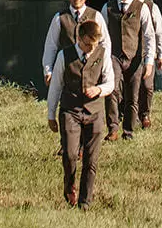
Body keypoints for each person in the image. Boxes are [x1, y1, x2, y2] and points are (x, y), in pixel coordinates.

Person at [46, 19, 114, 209]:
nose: (91, 49)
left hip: (95, 112)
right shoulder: (64, 55)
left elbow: (110, 83)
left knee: (91, 159)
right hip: (70, 111)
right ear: (79, 38)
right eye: (87, 45)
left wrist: (99, 90)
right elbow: (56, 86)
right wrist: (51, 114)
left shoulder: (103, 54)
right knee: (69, 155)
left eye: (94, 45)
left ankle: (85, 201)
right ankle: (69, 186)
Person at [101, 0, 155, 140]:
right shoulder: (108, 7)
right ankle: (113, 128)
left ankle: (129, 131)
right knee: (112, 90)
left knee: (132, 96)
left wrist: (149, 61)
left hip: (134, 57)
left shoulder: (141, 7)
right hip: (114, 56)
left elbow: (149, 35)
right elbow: (101, 33)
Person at [41, 0, 110, 87]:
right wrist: (48, 71)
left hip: (92, 71)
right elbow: (51, 45)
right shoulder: (59, 18)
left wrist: (103, 66)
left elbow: (105, 43)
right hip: (68, 70)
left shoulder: (96, 16)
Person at [130, 0, 162, 129]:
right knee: (131, 87)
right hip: (129, 53)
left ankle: (145, 113)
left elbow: (160, 31)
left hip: (147, 53)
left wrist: (161, 54)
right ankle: (131, 116)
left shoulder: (151, 7)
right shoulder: (123, 6)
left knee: (147, 85)